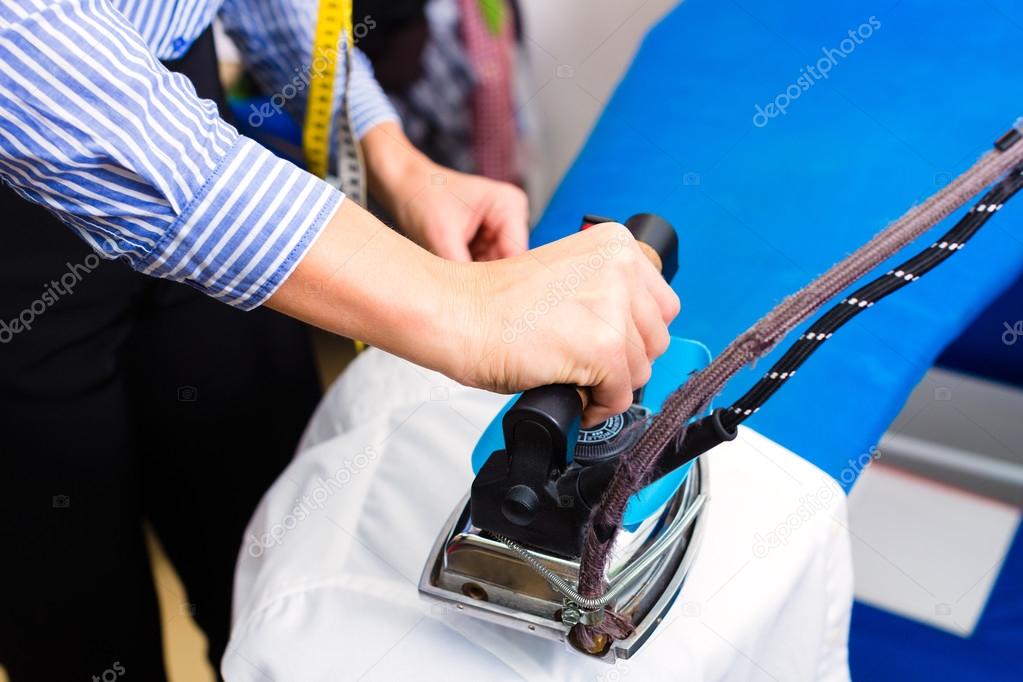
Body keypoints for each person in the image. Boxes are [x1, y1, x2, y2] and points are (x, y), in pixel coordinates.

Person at [0, 1, 677, 680]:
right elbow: (26, 52)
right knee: (78, 628)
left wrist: (393, 156)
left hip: (188, 116)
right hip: (50, 186)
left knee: (271, 555)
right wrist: (461, 307)